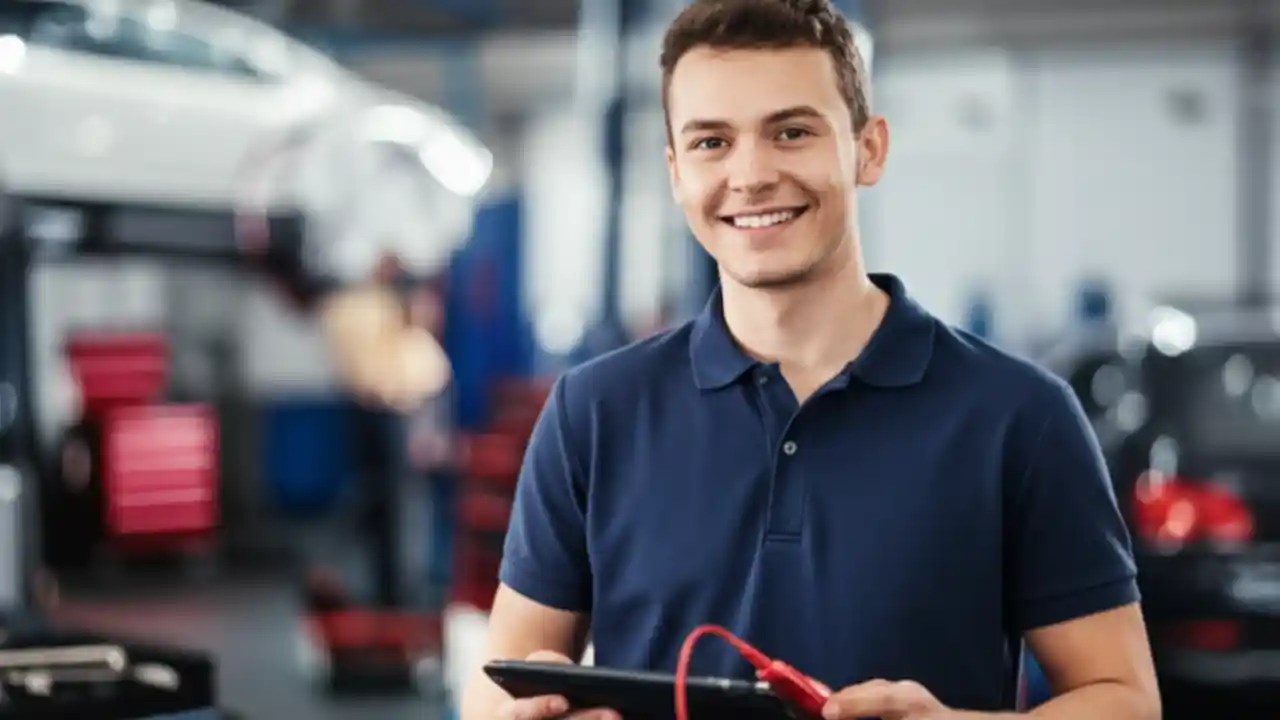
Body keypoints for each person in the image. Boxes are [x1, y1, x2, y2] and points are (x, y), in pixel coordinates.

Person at [462, 1, 1161, 718]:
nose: (752, 174)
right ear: (675, 171)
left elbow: (1124, 699)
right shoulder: (594, 412)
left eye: (791, 132)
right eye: (711, 143)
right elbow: (496, 686)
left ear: (869, 149)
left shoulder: (1018, 416)